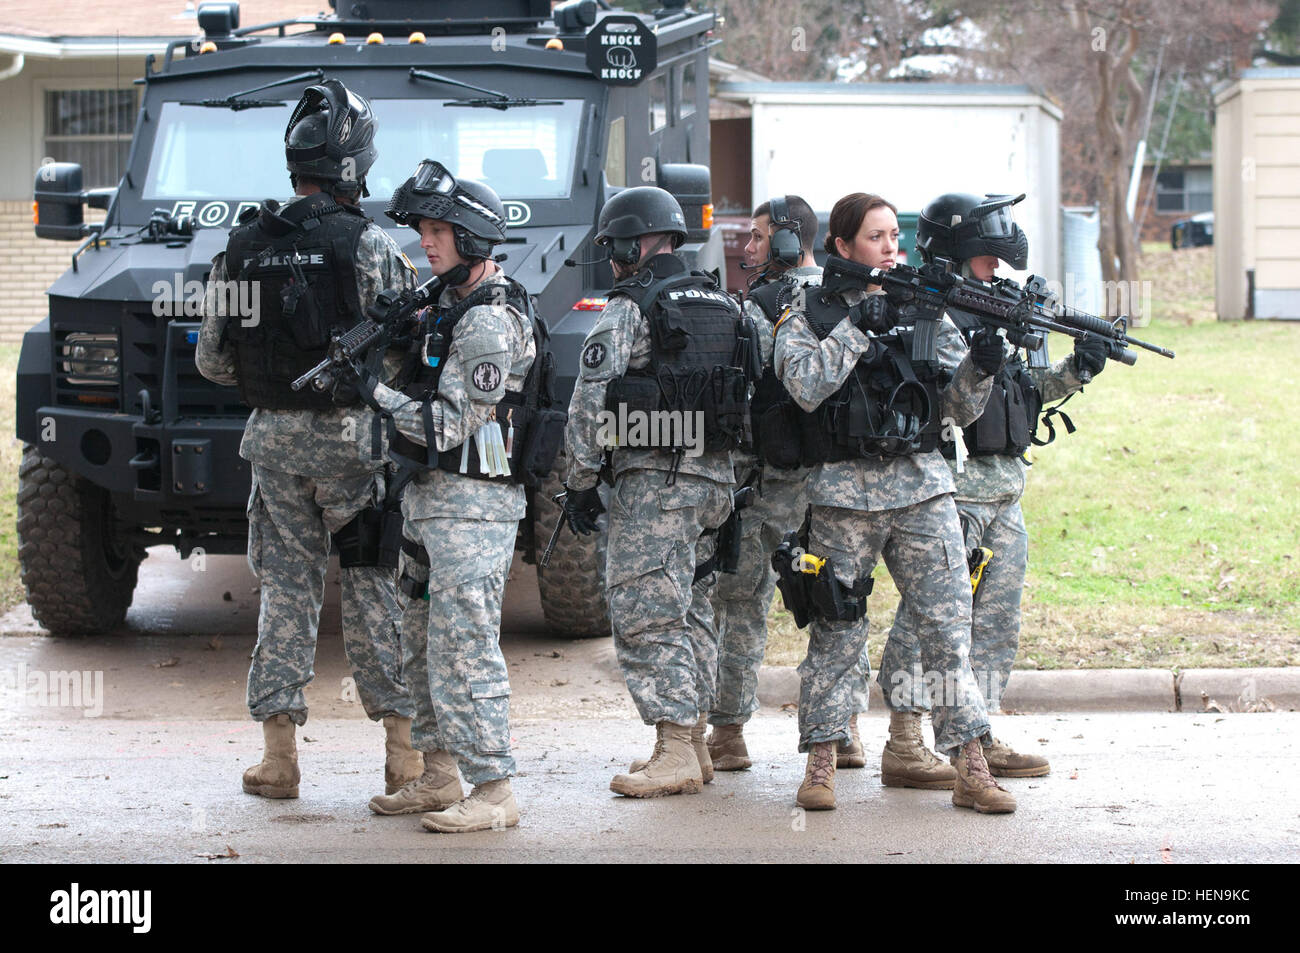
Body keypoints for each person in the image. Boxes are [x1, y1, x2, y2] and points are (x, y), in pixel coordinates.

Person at [196, 79, 420, 802]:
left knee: (286, 593)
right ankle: (405, 754)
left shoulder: (238, 250)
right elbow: (408, 351)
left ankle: (279, 757)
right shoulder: (372, 244)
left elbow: (212, 359)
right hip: (354, 449)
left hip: (274, 448)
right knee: (372, 590)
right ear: (353, 166)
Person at [772, 191, 1017, 813]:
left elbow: (960, 409)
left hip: (923, 491)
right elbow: (803, 388)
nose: (890, 248)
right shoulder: (811, 313)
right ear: (842, 245)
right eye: (877, 237)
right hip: (843, 498)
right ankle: (822, 763)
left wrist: (982, 367)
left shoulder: (923, 312)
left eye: (895, 238)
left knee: (946, 630)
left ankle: (971, 767)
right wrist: (858, 328)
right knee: (836, 629)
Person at [877, 192, 1109, 782]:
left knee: (996, 620)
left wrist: (1077, 369)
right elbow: (948, 405)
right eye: (987, 258)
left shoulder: (995, 309)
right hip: (951, 489)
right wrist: (978, 359)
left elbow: (1025, 392)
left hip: (1005, 488)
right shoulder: (929, 314)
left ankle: (975, 733)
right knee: (927, 617)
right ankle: (905, 738)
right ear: (958, 252)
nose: (998, 268)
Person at [350, 160, 541, 833]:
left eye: (437, 230)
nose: (425, 243)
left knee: (465, 645)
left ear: (473, 237)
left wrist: (371, 389)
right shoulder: (448, 305)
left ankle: (494, 786)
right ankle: (438, 773)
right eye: (423, 230)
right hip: (432, 500)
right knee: (423, 641)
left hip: (475, 506)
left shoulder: (489, 321)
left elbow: (449, 423)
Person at [563, 186, 758, 798]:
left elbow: (590, 399)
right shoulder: (729, 303)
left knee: (647, 612)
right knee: (695, 611)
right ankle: (694, 743)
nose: (616, 260)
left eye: (617, 247)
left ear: (633, 241)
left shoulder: (631, 306)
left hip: (655, 485)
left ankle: (674, 746)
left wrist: (579, 479)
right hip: (716, 487)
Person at [708, 194, 870, 771]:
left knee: (742, 602)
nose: (748, 248)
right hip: (839, 482)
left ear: (784, 239)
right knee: (840, 602)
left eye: (757, 237)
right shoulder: (849, 296)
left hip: (772, 479)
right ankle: (844, 730)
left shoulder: (761, 305)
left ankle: (727, 733)